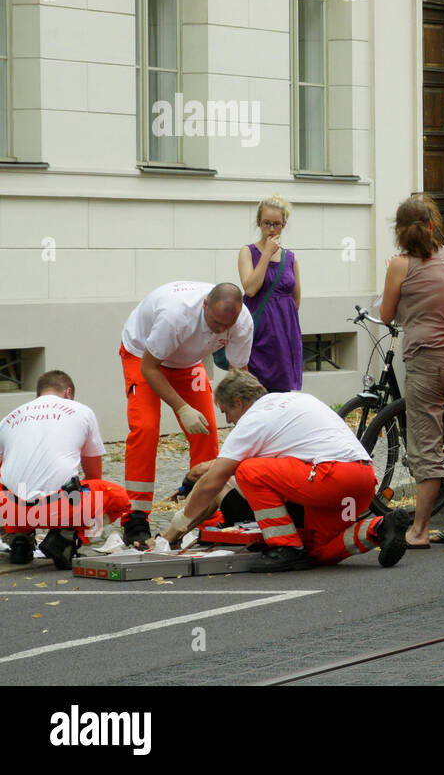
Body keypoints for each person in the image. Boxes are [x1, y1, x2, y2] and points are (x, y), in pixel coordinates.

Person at [155, 371, 411, 571]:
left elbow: (213, 482)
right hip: (363, 480)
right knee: (318, 551)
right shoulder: (298, 399)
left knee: (247, 471)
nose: (229, 421)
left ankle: (284, 548)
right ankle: (380, 527)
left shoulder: (254, 419)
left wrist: (174, 529)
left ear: (238, 401)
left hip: (331, 478)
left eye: (227, 412)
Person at [119, 281, 253, 548]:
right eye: (215, 322)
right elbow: (150, 368)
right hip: (143, 356)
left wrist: (250, 419)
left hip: (187, 362)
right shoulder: (175, 315)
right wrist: (181, 407)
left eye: (226, 326)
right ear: (205, 304)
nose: (220, 330)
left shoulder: (242, 322)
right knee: (145, 428)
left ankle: (204, 510)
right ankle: (135, 517)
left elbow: (240, 376)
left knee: (207, 431)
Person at [381, 195, 444, 546]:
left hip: (427, 361)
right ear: (432, 224)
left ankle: (419, 529)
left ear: (399, 231)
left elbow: (385, 314)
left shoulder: (400, 264)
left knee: (425, 445)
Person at [0, 371, 130, 569]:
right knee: (117, 496)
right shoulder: (82, 411)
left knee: (11, 488)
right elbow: (94, 475)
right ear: (68, 392)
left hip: (10, 509)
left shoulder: (9, 418)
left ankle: (19, 538)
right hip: (57, 507)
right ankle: (64, 538)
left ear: (38, 395)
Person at [236, 195, 303, 393]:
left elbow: (296, 299)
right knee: (256, 393)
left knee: (284, 396)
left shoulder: (290, 258)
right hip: (258, 336)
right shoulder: (248, 252)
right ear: (258, 223)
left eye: (277, 224)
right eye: (266, 223)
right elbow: (250, 288)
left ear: (284, 225)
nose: (272, 229)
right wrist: (266, 254)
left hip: (285, 336)